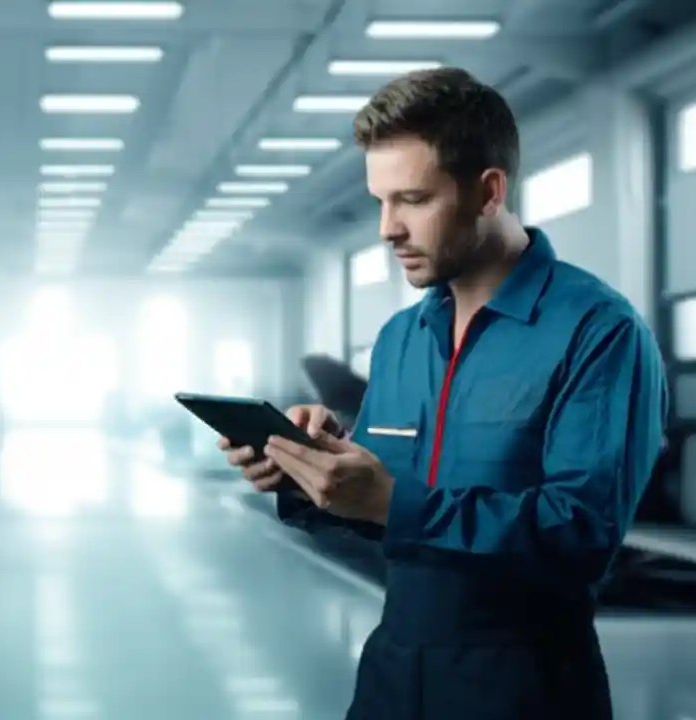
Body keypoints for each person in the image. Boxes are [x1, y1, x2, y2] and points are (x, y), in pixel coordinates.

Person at [219, 67, 667, 720]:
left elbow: (582, 536)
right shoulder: (403, 336)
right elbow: (380, 510)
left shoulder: (597, 332)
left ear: (487, 192)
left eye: (412, 199)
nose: (386, 228)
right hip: (392, 679)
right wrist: (305, 470)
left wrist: (394, 503)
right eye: (380, 201)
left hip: (524, 690)